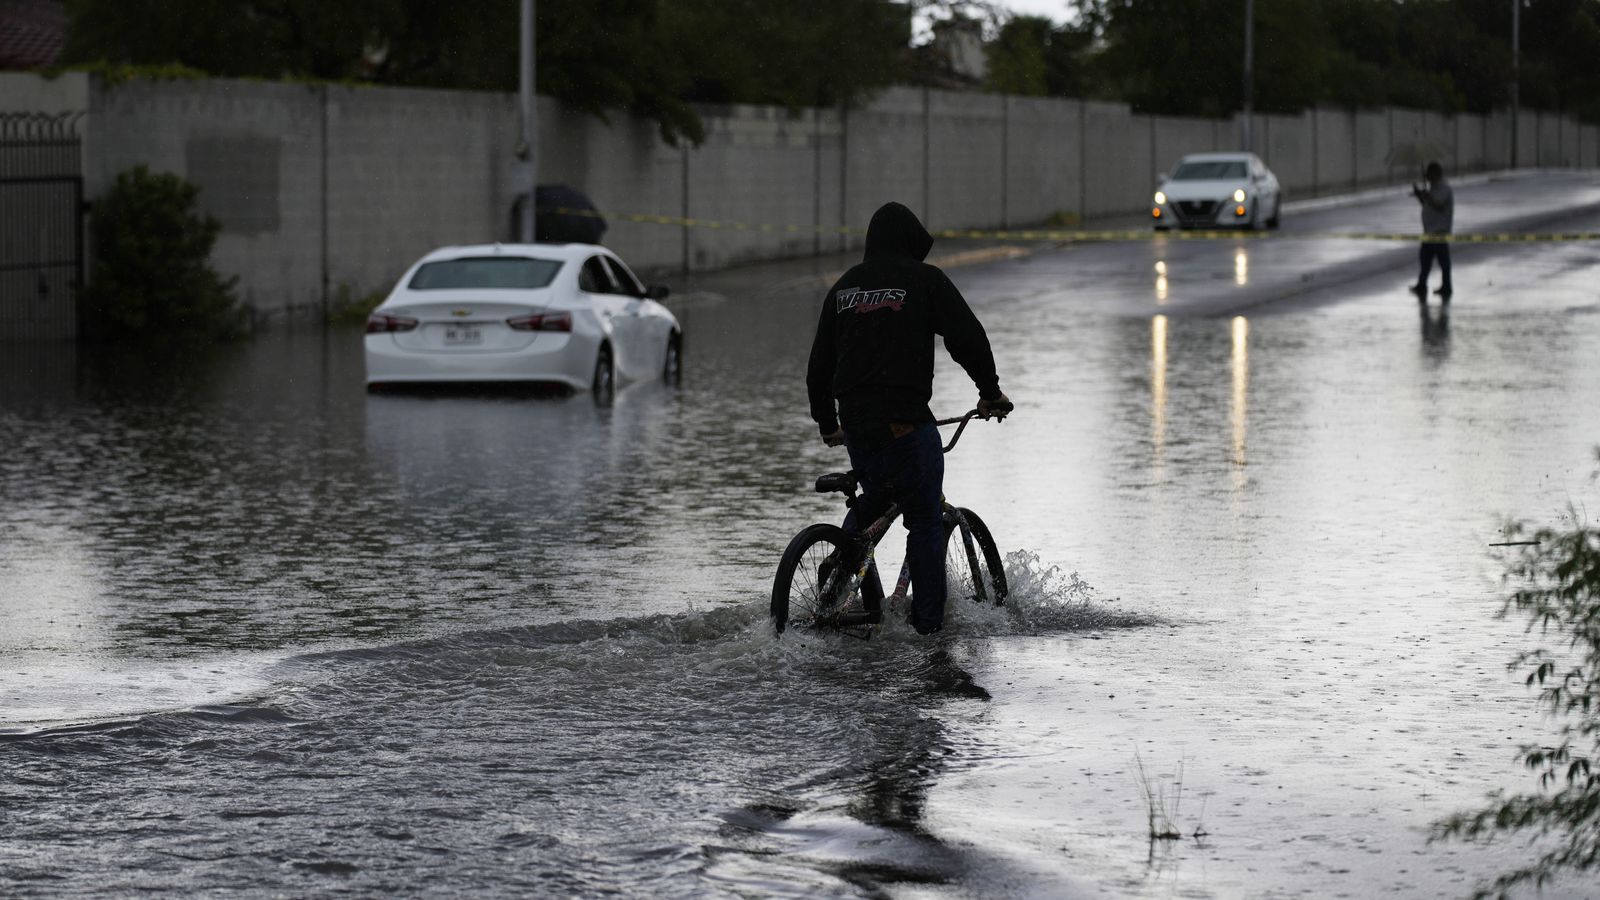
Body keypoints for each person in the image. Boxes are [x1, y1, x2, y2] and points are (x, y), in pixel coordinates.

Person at [806, 201, 1011, 635]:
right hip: (905, 423)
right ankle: (930, 631)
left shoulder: (844, 288)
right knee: (923, 518)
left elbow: (818, 366)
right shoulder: (925, 280)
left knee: (874, 499)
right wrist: (989, 393)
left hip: (858, 426)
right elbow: (967, 337)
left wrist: (828, 424)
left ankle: (836, 582)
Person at [1409, 161, 1454, 303]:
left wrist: (1427, 195)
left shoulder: (1444, 188)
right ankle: (1422, 284)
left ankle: (1447, 286)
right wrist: (1420, 195)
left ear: (1436, 173)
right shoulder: (1433, 188)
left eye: (1429, 174)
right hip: (1429, 231)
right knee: (1424, 259)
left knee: (1443, 261)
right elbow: (1429, 204)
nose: (1427, 177)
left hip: (1439, 232)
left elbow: (1438, 204)